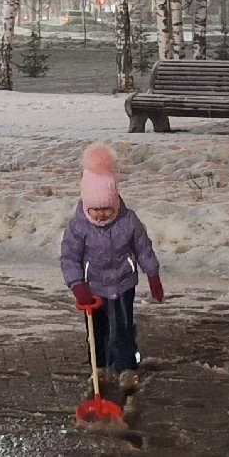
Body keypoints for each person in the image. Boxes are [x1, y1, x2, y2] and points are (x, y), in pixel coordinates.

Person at [59, 142, 163, 395]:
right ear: (86, 206)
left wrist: (152, 274)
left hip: (123, 283)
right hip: (92, 288)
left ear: (115, 203)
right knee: (98, 331)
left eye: (106, 208)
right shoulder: (78, 227)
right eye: (95, 209)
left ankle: (127, 368)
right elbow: (69, 257)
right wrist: (77, 285)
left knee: (123, 328)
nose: (101, 215)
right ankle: (101, 367)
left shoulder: (129, 221)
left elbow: (143, 248)